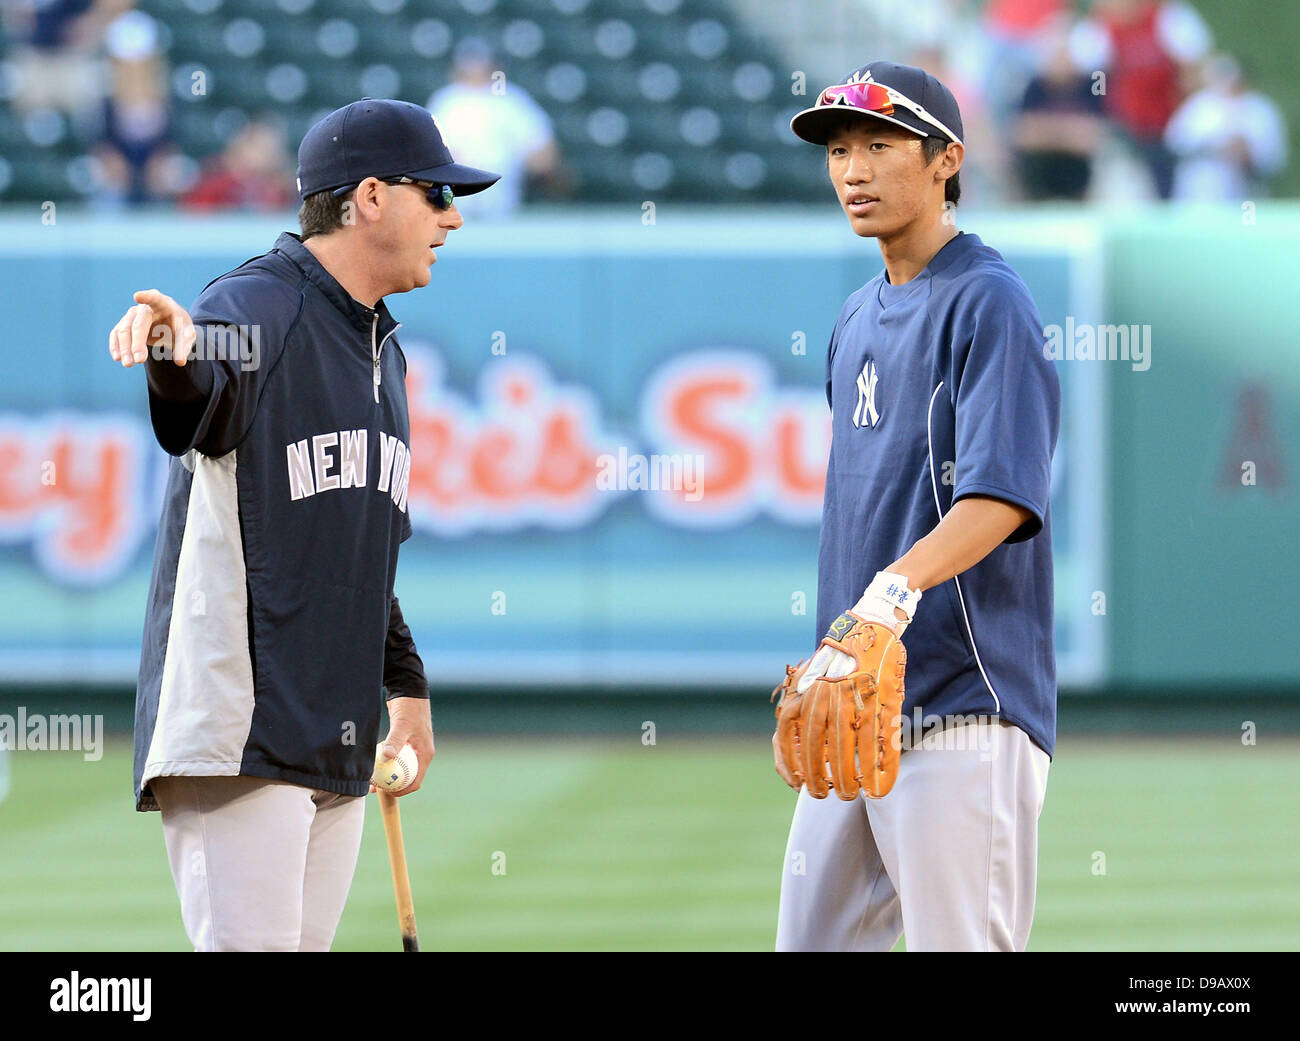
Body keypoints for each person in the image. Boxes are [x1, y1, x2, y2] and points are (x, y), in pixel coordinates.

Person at [108, 99, 499, 951]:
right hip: (241, 728)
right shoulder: (261, 303)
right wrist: (177, 355)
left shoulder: (383, 352)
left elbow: (366, 551)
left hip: (336, 735)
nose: (453, 215)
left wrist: (409, 688)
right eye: (435, 193)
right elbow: (205, 383)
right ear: (368, 197)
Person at [776, 61, 1061, 952]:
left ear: (945, 160)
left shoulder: (989, 300)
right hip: (859, 698)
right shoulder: (857, 313)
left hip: (964, 699)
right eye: (839, 149)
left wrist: (889, 597)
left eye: (880, 145)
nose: (853, 170)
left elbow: (1003, 498)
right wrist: (841, 643)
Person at [426, 37, 561, 219]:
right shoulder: (446, 100)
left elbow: (541, 152)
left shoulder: (509, 99)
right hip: (454, 201)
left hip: (502, 201)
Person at [1164, 53, 1288, 203]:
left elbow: (1274, 156)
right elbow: (1176, 142)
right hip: (1200, 193)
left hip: (1247, 196)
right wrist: (1215, 147)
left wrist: (1248, 154)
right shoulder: (1200, 105)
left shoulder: (1261, 109)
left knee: (1248, 223)